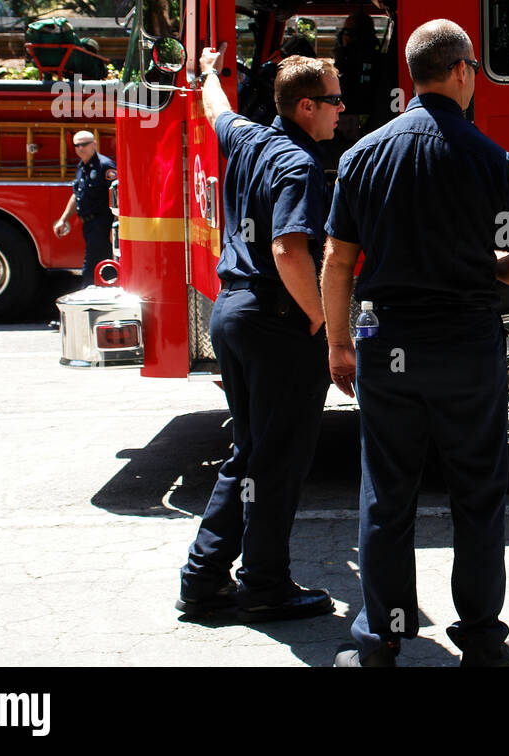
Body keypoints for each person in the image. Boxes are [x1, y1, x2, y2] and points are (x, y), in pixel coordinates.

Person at [321, 19, 509, 666]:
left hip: (384, 338)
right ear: (460, 72)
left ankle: (379, 641)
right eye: (475, 69)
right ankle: (482, 641)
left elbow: (338, 261)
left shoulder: (363, 155)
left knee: (386, 494)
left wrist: (339, 345)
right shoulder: (491, 159)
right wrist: (492, 271)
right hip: (466, 346)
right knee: (476, 495)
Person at [176, 49, 345, 622]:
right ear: (305, 106)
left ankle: (202, 579)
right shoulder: (298, 165)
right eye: (334, 100)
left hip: (233, 313)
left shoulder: (249, 138)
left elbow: (216, 109)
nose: (341, 111)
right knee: (278, 461)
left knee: (249, 453)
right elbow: (287, 248)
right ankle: (266, 585)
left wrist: (206, 72)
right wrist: (322, 320)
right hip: (276, 323)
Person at [53, 130, 116, 285]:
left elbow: (118, 196)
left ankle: (88, 297)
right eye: (77, 145)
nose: (80, 148)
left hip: (102, 223)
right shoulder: (82, 166)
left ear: (94, 144)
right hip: (89, 224)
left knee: (92, 266)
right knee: (101, 265)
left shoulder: (105, 166)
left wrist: (114, 227)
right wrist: (63, 220)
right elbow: (76, 195)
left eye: (84, 144)